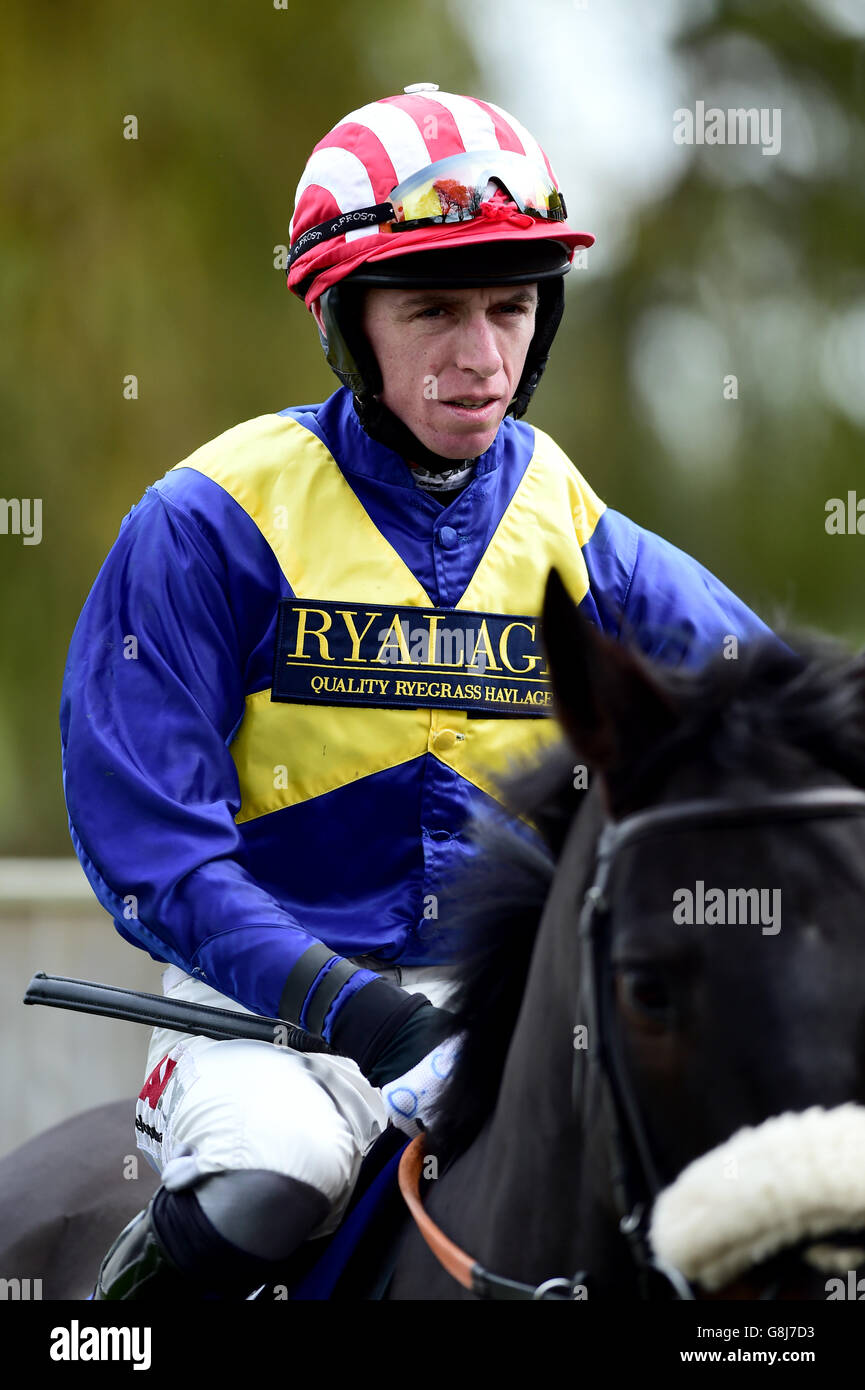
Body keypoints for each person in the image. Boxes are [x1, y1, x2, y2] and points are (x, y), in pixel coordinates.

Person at [60, 84, 774, 1300]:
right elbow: (150, 849)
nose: (481, 355)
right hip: (273, 1011)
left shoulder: (585, 532)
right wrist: (357, 1012)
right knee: (271, 1180)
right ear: (345, 322)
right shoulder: (205, 522)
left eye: (509, 307)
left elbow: (775, 709)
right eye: (433, 309)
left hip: (518, 1009)